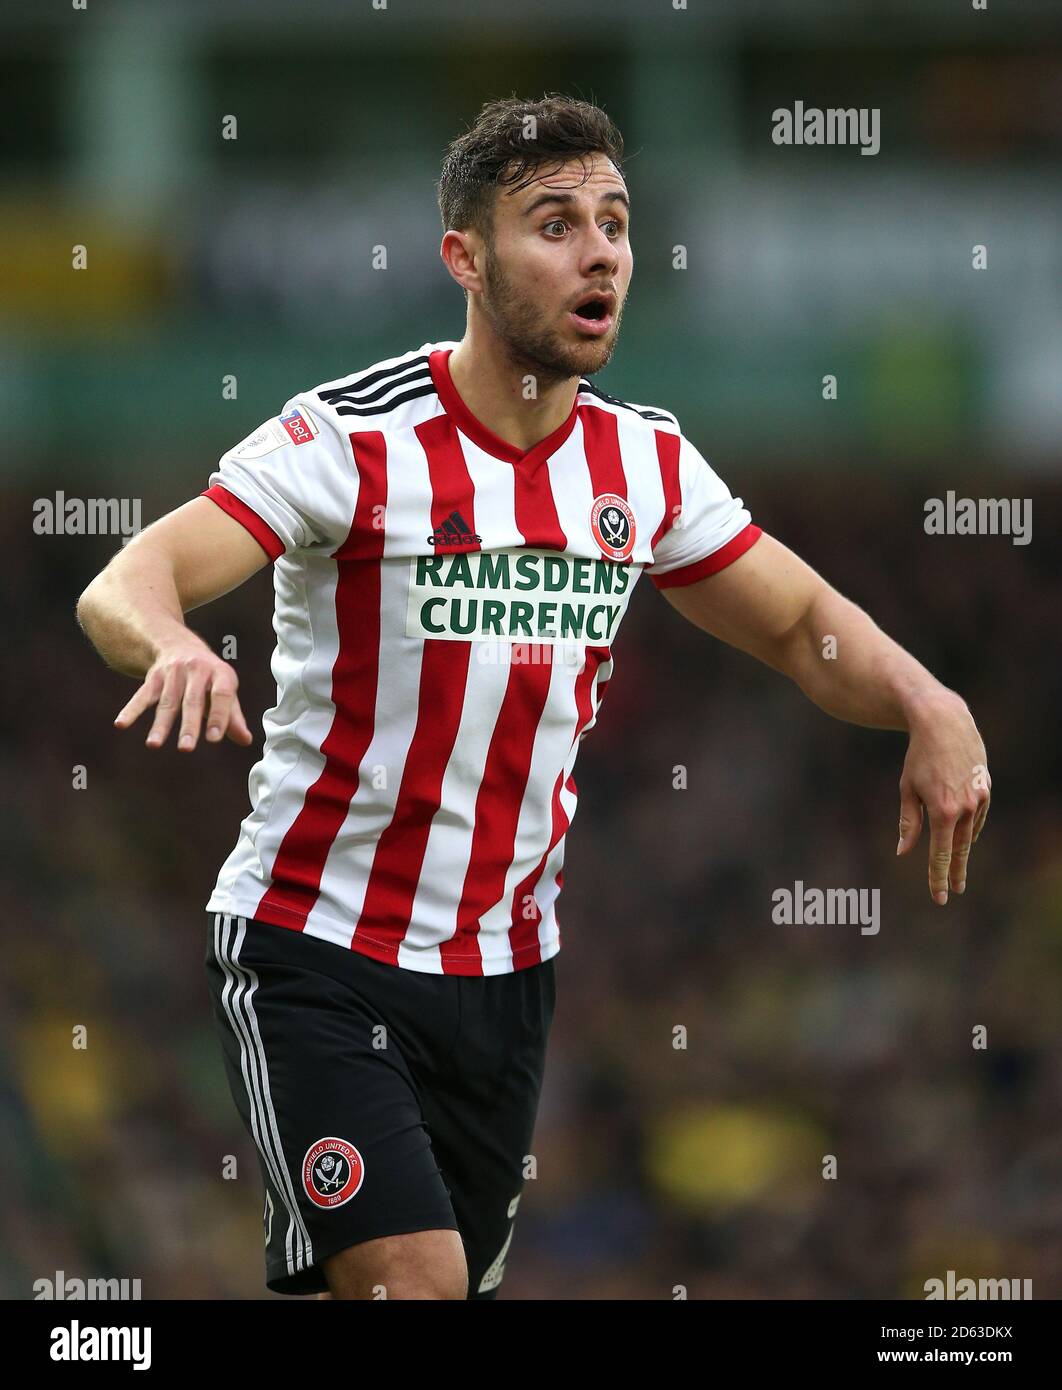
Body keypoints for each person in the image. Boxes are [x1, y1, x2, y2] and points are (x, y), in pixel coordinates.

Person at [75, 93, 990, 1301]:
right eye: (553, 223)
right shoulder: (352, 441)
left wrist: (933, 701)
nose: (600, 248)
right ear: (466, 257)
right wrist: (170, 645)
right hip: (316, 946)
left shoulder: (642, 462)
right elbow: (123, 581)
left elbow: (804, 625)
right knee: (413, 1280)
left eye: (613, 221)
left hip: (508, 975)